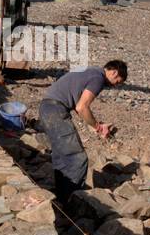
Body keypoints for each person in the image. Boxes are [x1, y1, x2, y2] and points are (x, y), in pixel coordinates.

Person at [39, 60, 127, 201]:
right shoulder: (98, 78)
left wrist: (95, 126)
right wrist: (98, 127)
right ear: (114, 72)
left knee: (61, 156)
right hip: (55, 110)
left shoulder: (89, 71)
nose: (115, 84)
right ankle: (72, 201)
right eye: (117, 80)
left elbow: (76, 101)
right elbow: (82, 107)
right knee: (78, 159)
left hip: (47, 107)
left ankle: (60, 196)